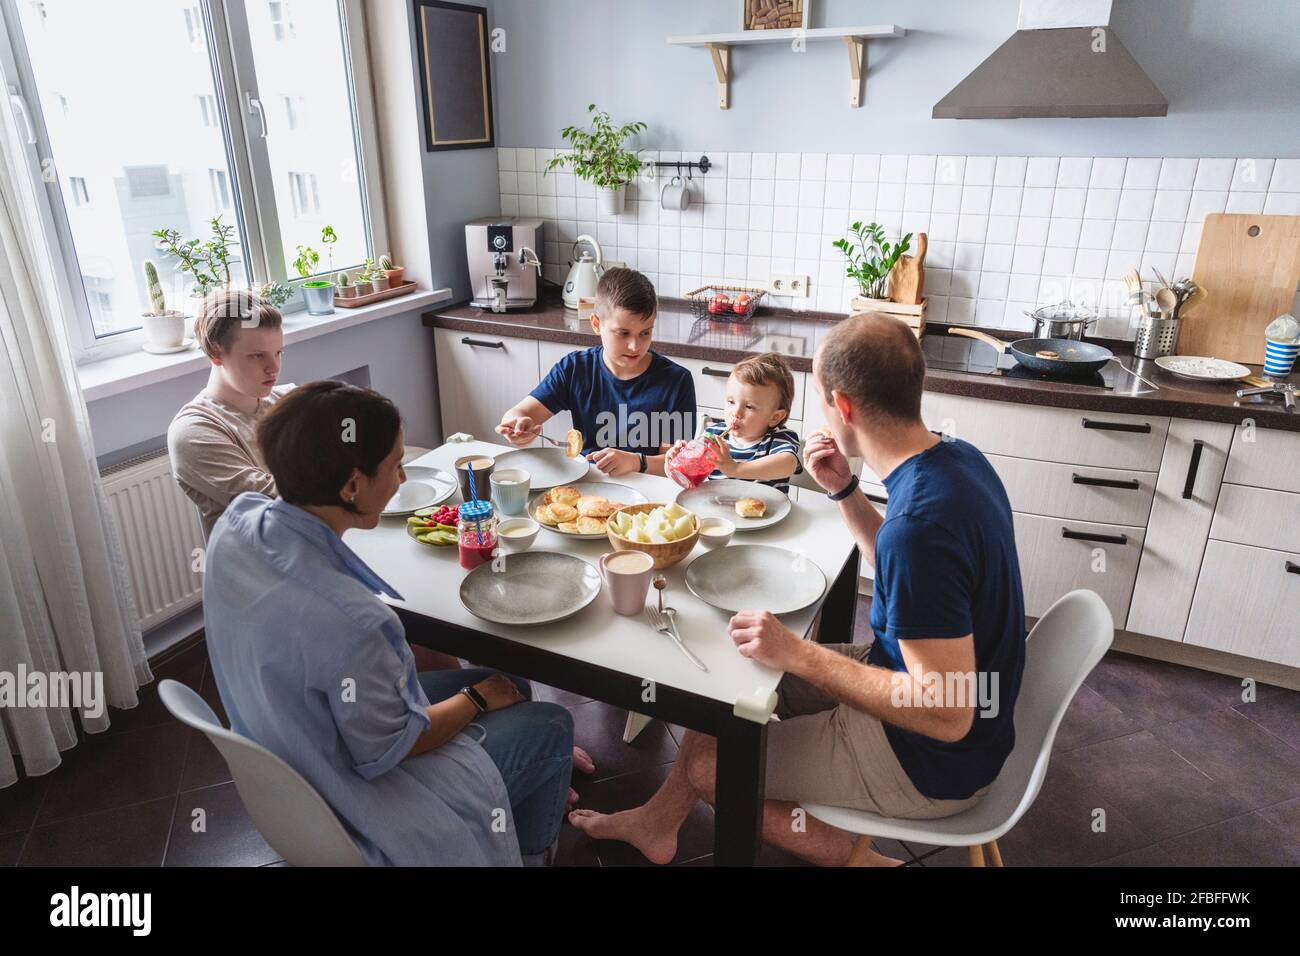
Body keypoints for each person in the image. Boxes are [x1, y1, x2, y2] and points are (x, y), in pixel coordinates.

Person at [568, 312, 1027, 866]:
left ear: (844, 407)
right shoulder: (957, 458)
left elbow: (946, 711)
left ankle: (866, 861)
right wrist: (845, 491)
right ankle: (656, 825)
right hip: (940, 698)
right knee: (727, 692)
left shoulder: (918, 530)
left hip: (930, 758)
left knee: (709, 767)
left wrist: (798, 652)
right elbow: (907, 570)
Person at [202, 380, 575, 865]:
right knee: (551, 722)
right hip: (356, 802)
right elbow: (395, 746)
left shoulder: (236, 523)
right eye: (396, 464)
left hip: (286, 753)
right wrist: (475, 699)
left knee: (511, 685)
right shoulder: (354, 621)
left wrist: (481, 694)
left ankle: (521, 807)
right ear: (351, 485)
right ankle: (529, 854)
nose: (401, 478)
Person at [496, 267, 695, 477]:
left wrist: (636, 462)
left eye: (645, 333)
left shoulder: (676, 381)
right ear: (596, 324)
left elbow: (679, 464)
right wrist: (517, 426)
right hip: (588, 484)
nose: (635, 346)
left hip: (649, 488)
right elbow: (520, 413)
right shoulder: (575, 369)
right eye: (623, 333)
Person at [167, 289, 292, 538]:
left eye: (278, 353)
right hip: (263, 559)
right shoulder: (193, 431)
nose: (274, 368)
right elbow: (278, 502)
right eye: (257, 356)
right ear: (216, 353)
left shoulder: (289, 400)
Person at [668, 351, 802, 493]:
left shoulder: (779, 438)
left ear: (775, 417)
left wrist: (736, 469)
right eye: (731, 402)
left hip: (766, 507)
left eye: (749, 406)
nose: (736, 412)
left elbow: (788, 464)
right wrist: (675, 464)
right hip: (717, 506)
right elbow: (690, 479)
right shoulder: (713, 436)